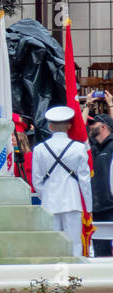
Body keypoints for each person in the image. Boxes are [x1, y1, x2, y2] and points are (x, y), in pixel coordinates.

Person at [31, 105, 92, 257]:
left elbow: (37, 180)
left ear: (50, 126)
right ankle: (75, 277)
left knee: (51, 245)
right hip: (72, 200)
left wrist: (45, 196)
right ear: (69, 126)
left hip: (49, 202)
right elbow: (85, 181)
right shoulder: (79, 148)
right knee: (75, 244)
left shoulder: (39, 149)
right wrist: (89, 207)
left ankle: (53, 277)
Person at [87, 114, 113, 257]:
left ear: (103, 127)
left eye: (93, 123)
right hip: (97, 207)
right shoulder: (93, 148)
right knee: (100, 251)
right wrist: (86, 106)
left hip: (110, 205)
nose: (90, 126)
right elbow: (80, 136)